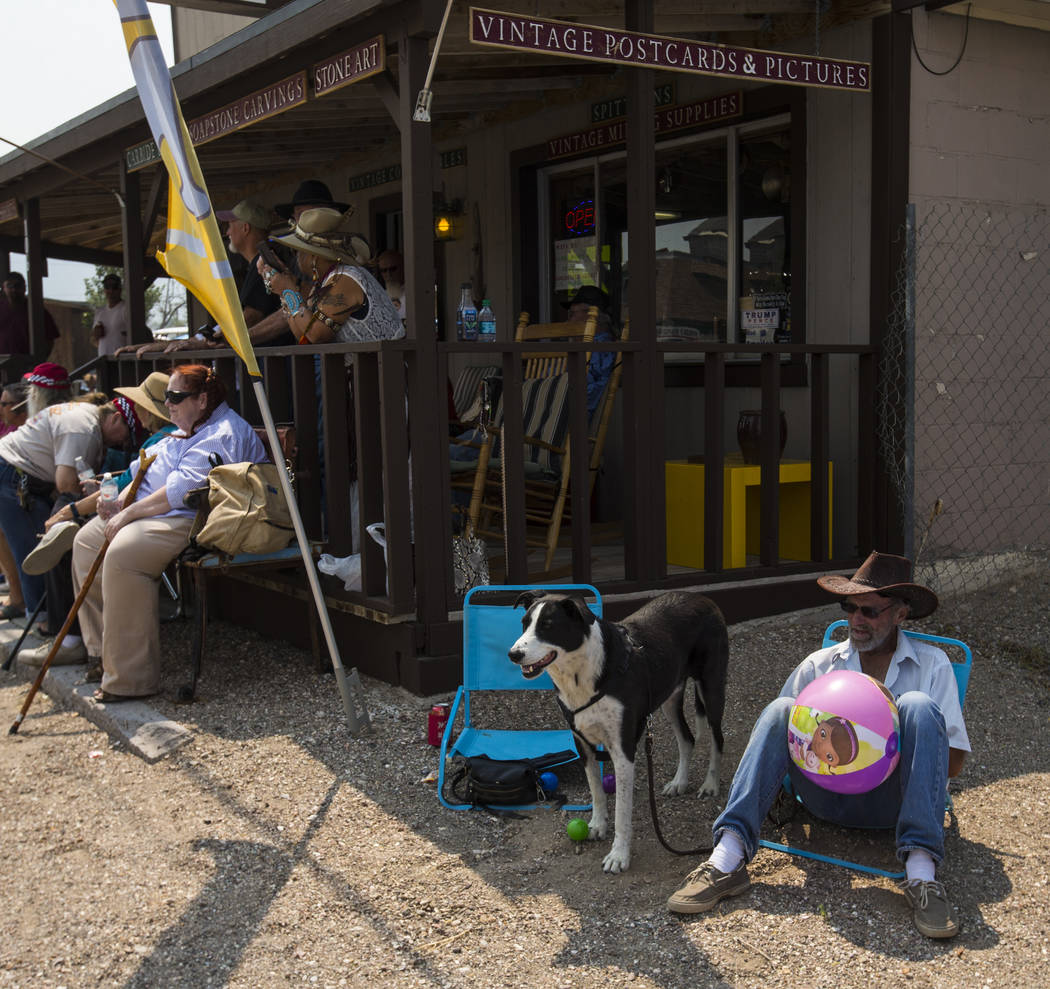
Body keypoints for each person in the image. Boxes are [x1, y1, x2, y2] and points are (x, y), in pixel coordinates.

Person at [666, 552, 969, 940]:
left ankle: (922, 875)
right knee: (782, 710)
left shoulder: (933, 665)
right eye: (850, 608)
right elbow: (779, 743)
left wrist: (890, 728)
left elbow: (954, 764)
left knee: (917, 705)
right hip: (822, 796)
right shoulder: (820, 666)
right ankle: (727, 858)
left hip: (893, 804)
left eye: (871, 611)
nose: (858, 620)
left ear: (900, 614)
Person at [71, 364, 265, 702]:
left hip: (199, 516)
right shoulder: (183, 430)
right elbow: (144, 472)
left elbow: (183, 490)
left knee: (124, 554)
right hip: (158, 511)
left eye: (175, 397)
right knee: (86, 541)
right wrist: (117, 502)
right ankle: (103, 653)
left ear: (202, 399)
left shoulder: (222, 431)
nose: (168, 404)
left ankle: (131, 678)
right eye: (166, 397)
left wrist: (127, 513)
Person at [0, 392, 130, 642]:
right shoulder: (83, 428)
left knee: (38, 545)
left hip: (16, 470)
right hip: (14, 474)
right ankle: (45, 621)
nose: (123, 444)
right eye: (126, 435)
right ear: (115, 419)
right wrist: (82, 506)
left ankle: (51, 622)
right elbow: (66, 483)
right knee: (37, 549)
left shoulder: (82, 416)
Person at [262, 206, 404, 345]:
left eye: (298, 251)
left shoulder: (344, 278)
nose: (296, 257)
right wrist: (285, 291)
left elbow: (317, 334)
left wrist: (288, 290)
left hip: (386, 367)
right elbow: (302, 334)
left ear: (314, 257)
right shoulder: (324, 284)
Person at [564, 285, 617, 419]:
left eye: (572, 314)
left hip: (568, 421)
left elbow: (587, 397)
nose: (568, 321)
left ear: (591, 317)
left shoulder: (601, 350)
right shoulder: (585, 348)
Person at [0, 271, 59, 356]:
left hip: (28, 363)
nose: (14, 290)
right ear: (4, 288)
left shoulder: (37, 311)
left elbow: (49, 340)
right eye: (9, 286)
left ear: (25, 287)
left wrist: (39, 360)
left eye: (17, 286)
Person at [91, 273, 131, 357]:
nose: (111, 290)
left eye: (114, 287)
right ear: (104, 290)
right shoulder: (99, 312)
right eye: (107, 287)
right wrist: (96, 334)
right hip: (104, 360)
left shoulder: (126, 309)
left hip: (122, 360)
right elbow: (94, 341)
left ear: (120, 289)